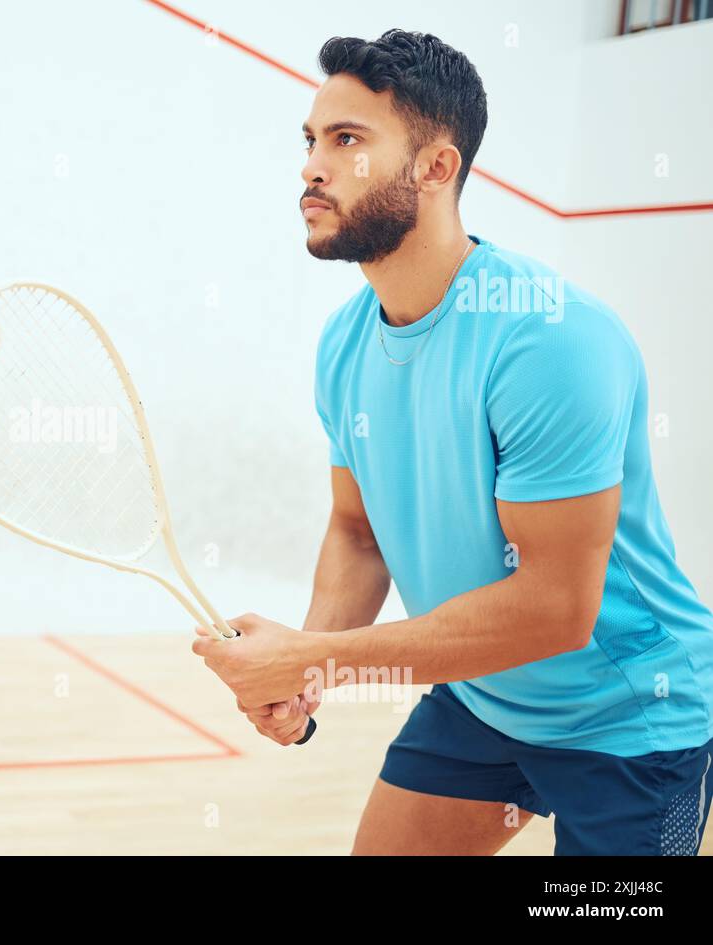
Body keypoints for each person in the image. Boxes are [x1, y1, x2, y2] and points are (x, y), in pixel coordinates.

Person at [192, 30, 713, 855]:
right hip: (482, 700)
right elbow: (359, 533)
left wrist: (320, 655)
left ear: (436, 168)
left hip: (631, 720)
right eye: (312, 139)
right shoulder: (344, 343)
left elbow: (555, 608)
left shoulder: (551, 341)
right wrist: (308, 671)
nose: (311, 168)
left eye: (348, 140)